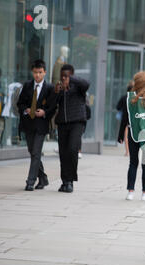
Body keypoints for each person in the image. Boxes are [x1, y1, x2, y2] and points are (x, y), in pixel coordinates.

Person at [118, 71, 145, 202]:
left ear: (137, 83)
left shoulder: (131, 98)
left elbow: (126, 118)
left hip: (134, 133)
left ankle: (130, 192)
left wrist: (120, 134)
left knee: (133, 163)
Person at [17, 60, 56, 191]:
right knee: (32, 152)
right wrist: (26, 109)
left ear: (44, 72)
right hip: (28, 124)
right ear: (32, 72)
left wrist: (44, 112)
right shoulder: (27, 86)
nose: (37, 75)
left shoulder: (49, 88)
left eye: (40, 72)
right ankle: (43, 178)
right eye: (35, 72)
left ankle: (30, 181)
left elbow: (52, 107)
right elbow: (20, 103)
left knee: (36, 152)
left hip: (41, 125)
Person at [54, 64, 90, 193]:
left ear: (72, 75)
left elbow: (86, 84)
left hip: (77, 122)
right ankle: (64, 181)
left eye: (67, 76)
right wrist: (56, 92)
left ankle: (70, 181)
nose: (64, 79)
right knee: (63, 153)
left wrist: (72, 80)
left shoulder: (78, 87)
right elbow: (53, 105)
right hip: (62, 123)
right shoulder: (60, 89)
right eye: (62, 76)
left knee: (72, 149)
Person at [116, 81, 134, 157]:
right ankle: (132, 151)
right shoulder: (136, 98)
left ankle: (127, 152)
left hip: (126, 119)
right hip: (134, 119)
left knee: (126, 136)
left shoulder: (124, 97)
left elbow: (118, 107)